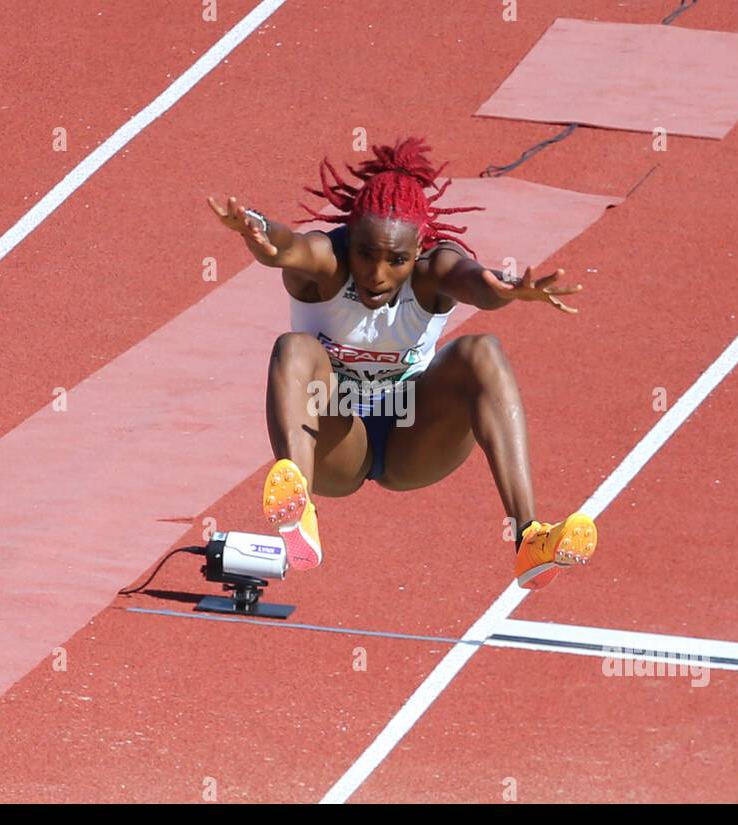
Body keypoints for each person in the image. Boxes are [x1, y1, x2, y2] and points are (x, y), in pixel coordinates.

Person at [207, 136, 596, 589]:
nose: (377, 273)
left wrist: (506, 289)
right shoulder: (324, 263)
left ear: (418, 253)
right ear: (348, 242)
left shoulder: (436, 271)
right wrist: (255, 225)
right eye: (366, 255)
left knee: (482, 350)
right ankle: (300, 513)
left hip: (413, 440)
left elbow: (477, 284)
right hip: (336, 439)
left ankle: (531, 537)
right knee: (294, 348)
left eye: (397, 260)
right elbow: (283, 246)